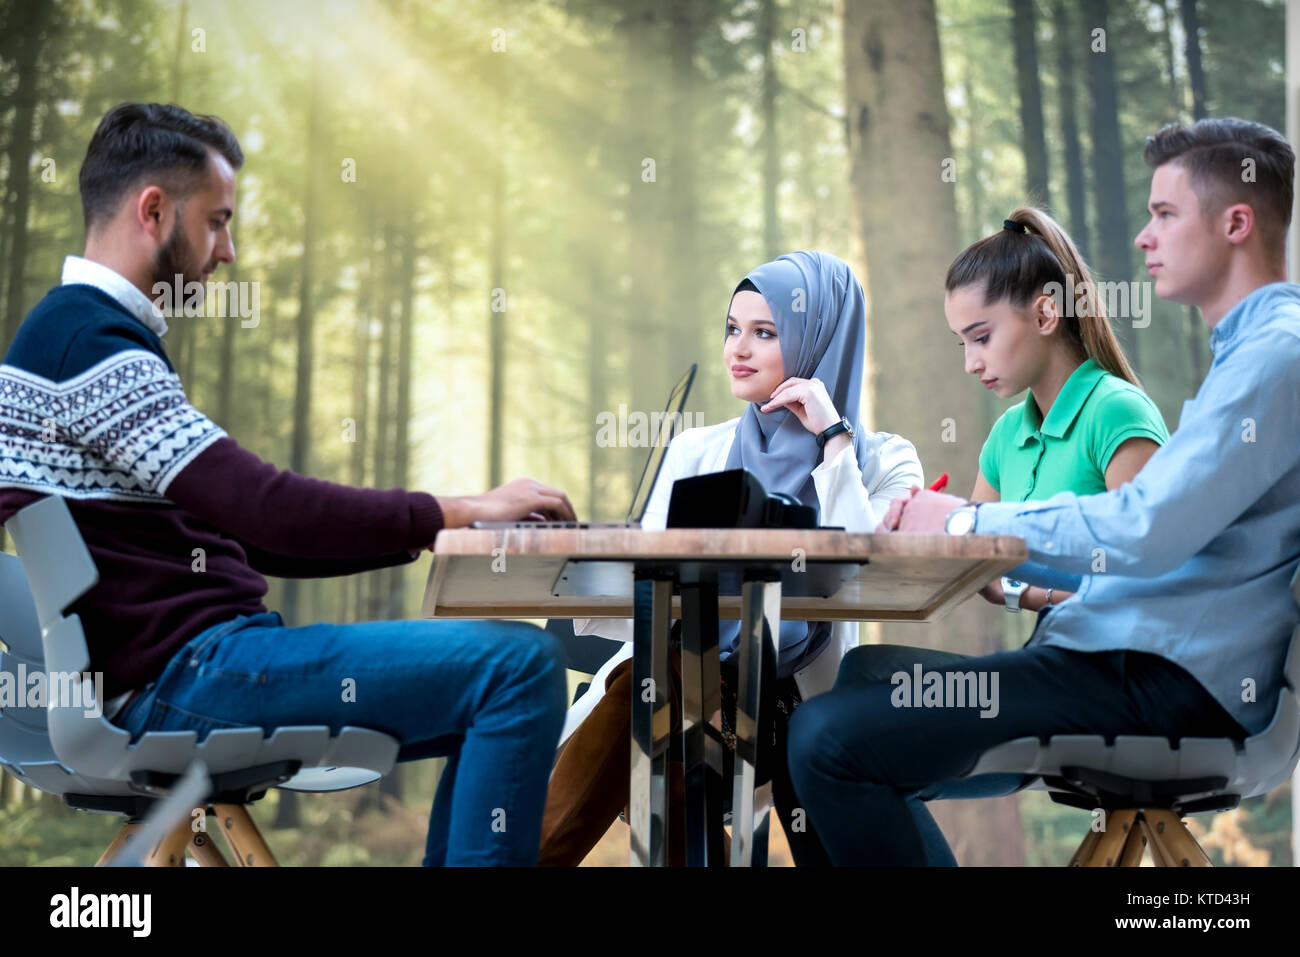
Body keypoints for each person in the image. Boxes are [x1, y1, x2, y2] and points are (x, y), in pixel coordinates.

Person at [0, 103, 576, 866]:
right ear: (153, 209)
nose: (228, 250)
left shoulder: (69, 337)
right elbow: (266, 511)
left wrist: (435, 527)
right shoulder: (92, 345)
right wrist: (461, 510)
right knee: (519, 667)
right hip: (186, 677)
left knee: (497, 682)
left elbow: (248, 531)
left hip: (166, 675)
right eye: (217, 221)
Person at [785, 116, 1300, 866]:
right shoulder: (1250, 353)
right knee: (850, 684)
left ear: (1236, 222)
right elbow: (1161, 540)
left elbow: (1147, 529)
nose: (1143, 238)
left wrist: (965, 524)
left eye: (1164, 214)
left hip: (1168, 684)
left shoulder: (1275, 354)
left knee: (827, 737)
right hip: (1130, 660)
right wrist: (985, 551)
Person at [538, 250, 924, 866]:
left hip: (795, 705)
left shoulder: (881, 459)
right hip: (679, 684)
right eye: (732, 329)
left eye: (765, 333)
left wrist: (833, 442)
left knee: (649, 711)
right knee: (652, 699)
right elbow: (649, 588)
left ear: (820, 340)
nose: (738, 349)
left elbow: (861, 572)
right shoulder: (696, 448)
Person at [832, 205, 1172, 857]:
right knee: (861, 674)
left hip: (1112, 690)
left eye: (981, 336)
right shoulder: (1006, 436)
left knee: (836, 740)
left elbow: (1147, 581)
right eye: (961, 341)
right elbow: (975, 565)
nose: (969, 361)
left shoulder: (1118, 411)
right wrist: (906, 531)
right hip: (1046, 673)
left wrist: (1023, 589)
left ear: (1046, 314)